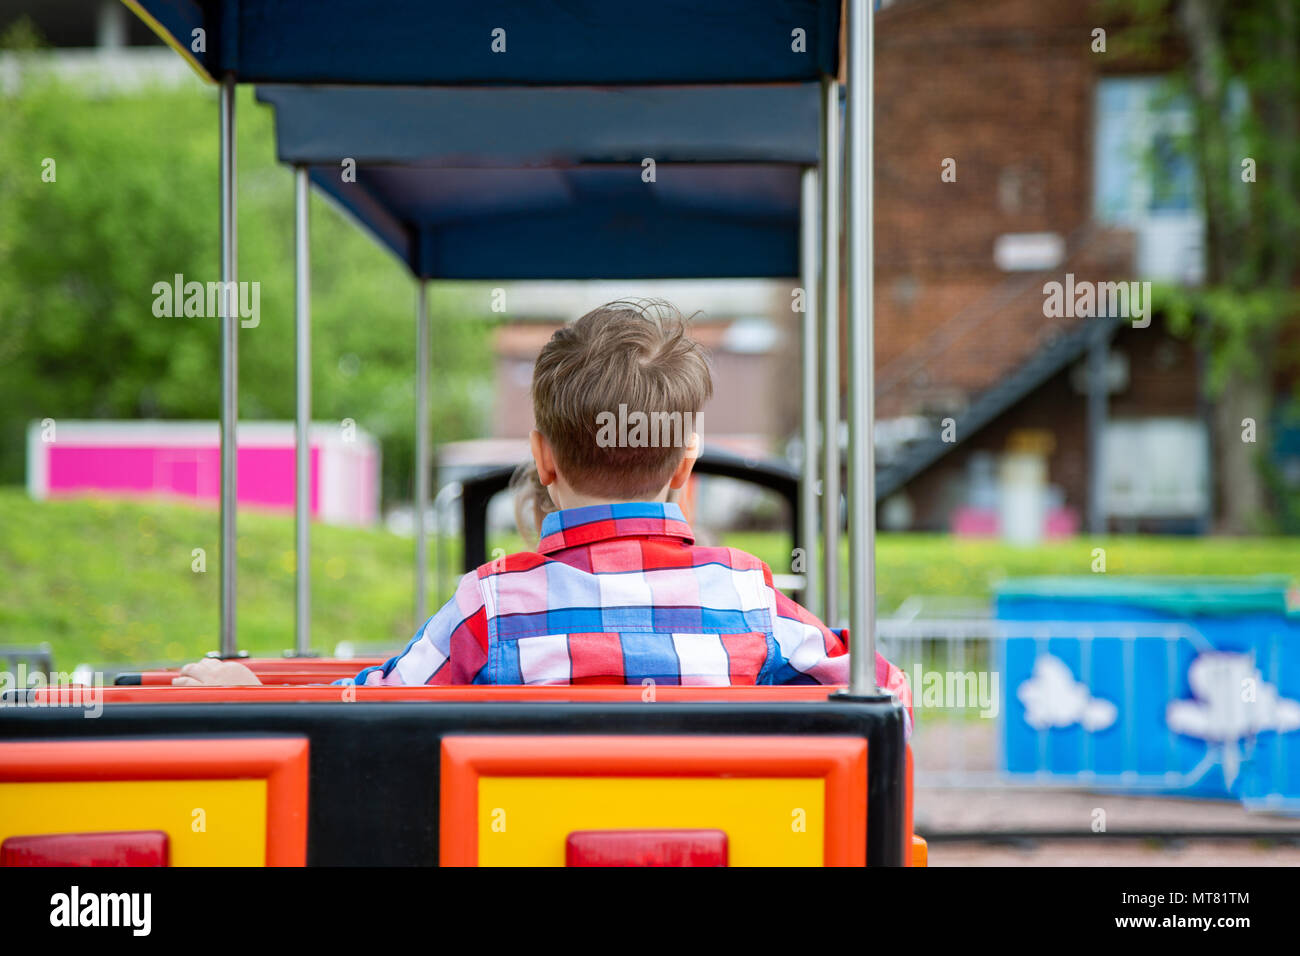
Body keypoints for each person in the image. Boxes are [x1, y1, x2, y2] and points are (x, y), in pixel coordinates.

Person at [176, 300, 911, 716]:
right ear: (685, 467)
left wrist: (248, 696)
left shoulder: (488, 608)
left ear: (543, 460)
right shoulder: (748, 597)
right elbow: (885, 695)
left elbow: (365, 715)